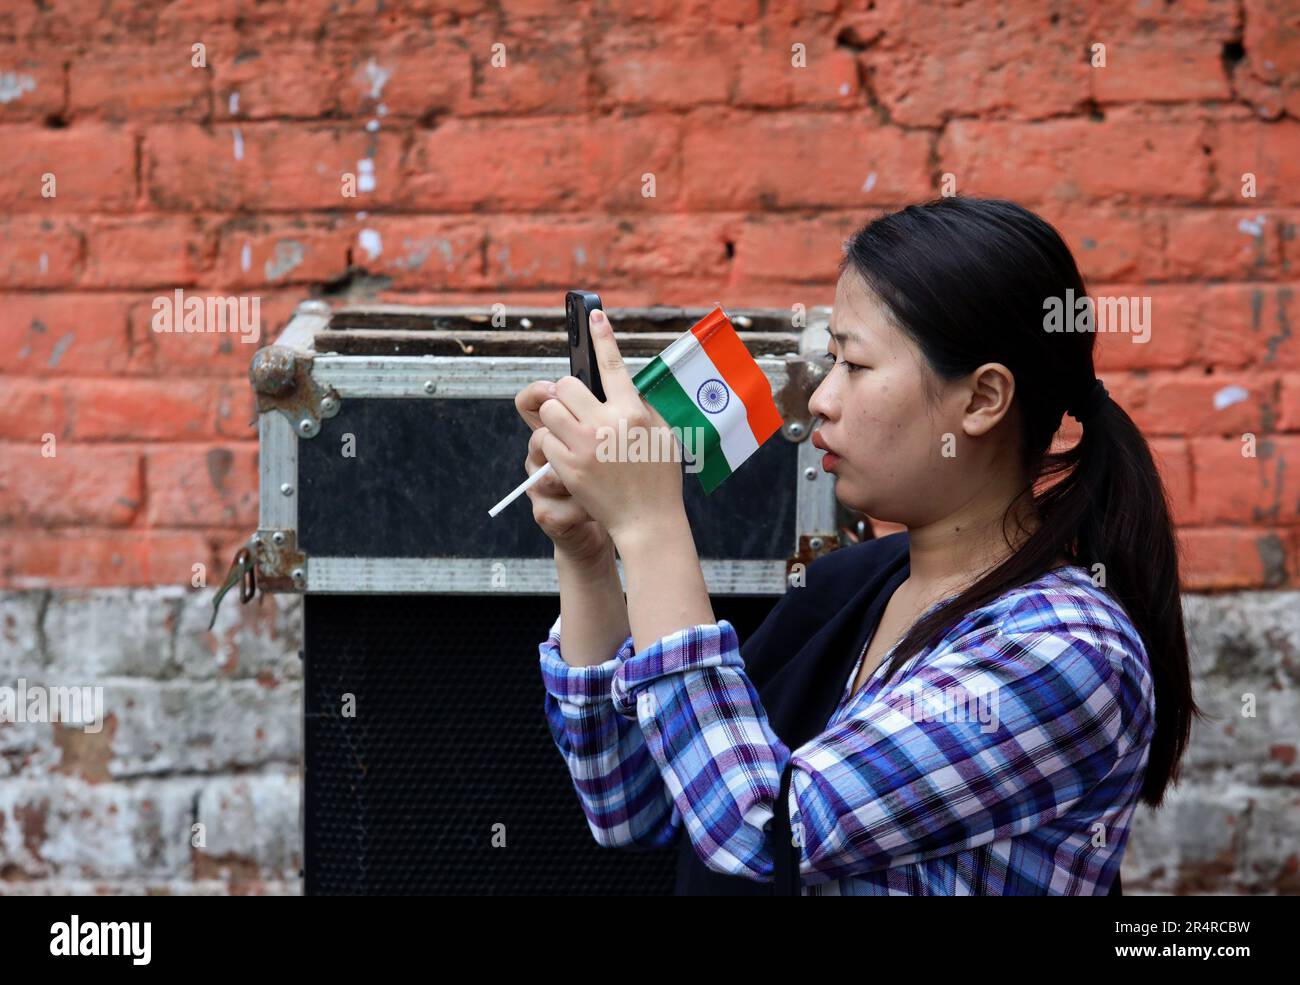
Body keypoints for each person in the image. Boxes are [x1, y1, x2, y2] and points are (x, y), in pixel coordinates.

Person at [515, 196, 1201, 895]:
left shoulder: (1063, 649)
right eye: (829, 359)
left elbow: (763, 831)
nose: (820, 398)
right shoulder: (848, 589)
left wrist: (652, 526)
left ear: (983, 399)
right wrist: (592, 551)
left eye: (855, 364)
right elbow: (633, 800)